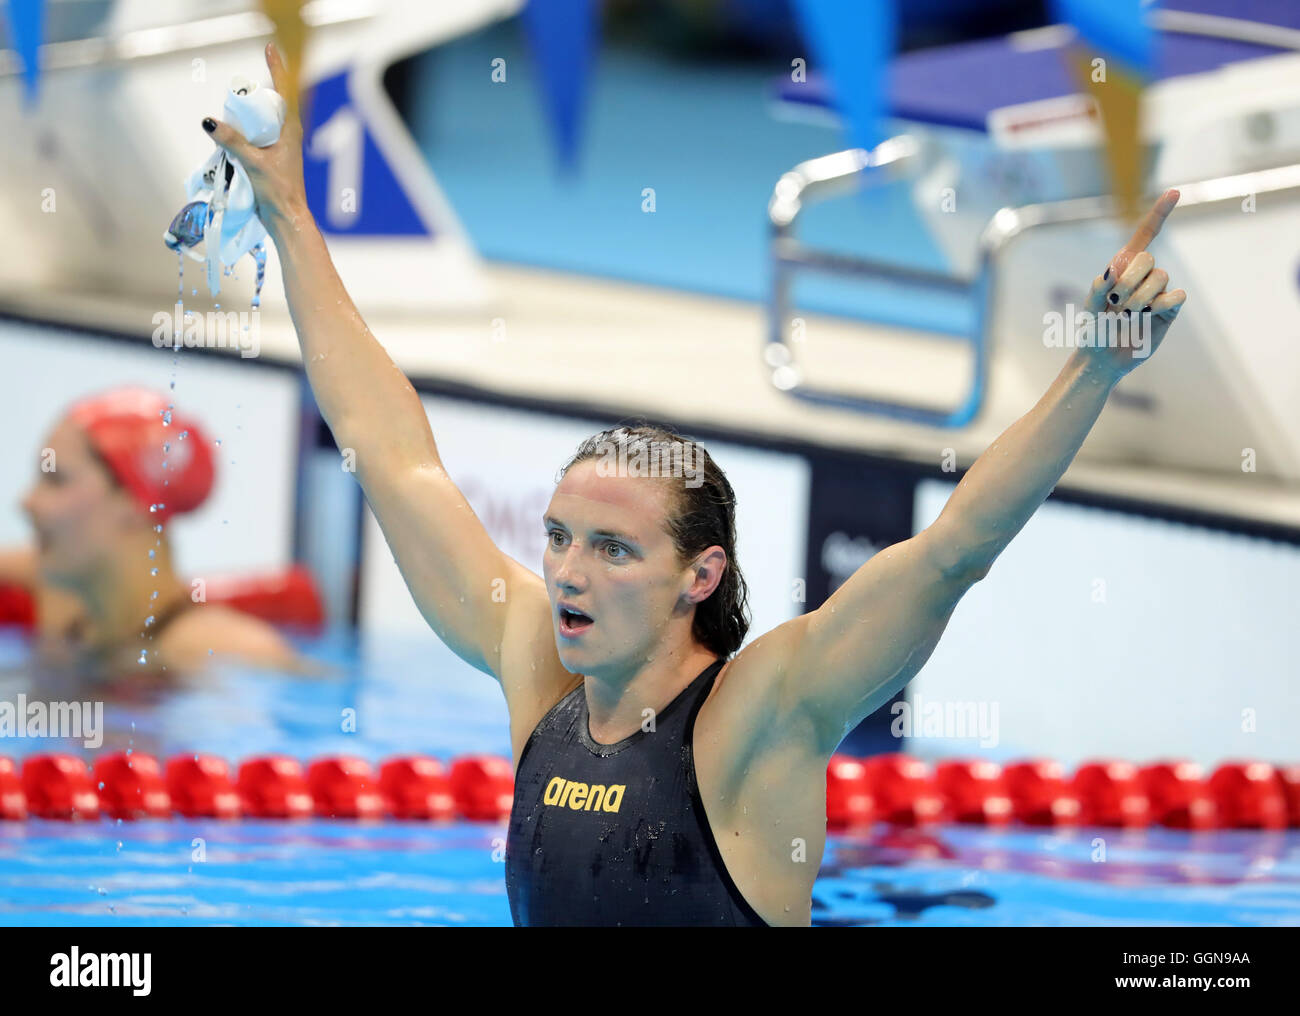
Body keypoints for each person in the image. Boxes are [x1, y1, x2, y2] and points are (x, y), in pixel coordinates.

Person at [208, 44, 1187, 926]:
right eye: (557, 537)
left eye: (612, 547)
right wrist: (289, 216)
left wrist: (1091, 367)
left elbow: (953, 549)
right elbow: (392, 455)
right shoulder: (536, 671)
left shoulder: (762, 714)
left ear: (700, 575)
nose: (566, 572)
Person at [3, 386, 301, 678]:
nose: (28, 502)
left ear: (135, 504)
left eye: (56, 480)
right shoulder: (62, 596)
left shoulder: (224, 653)